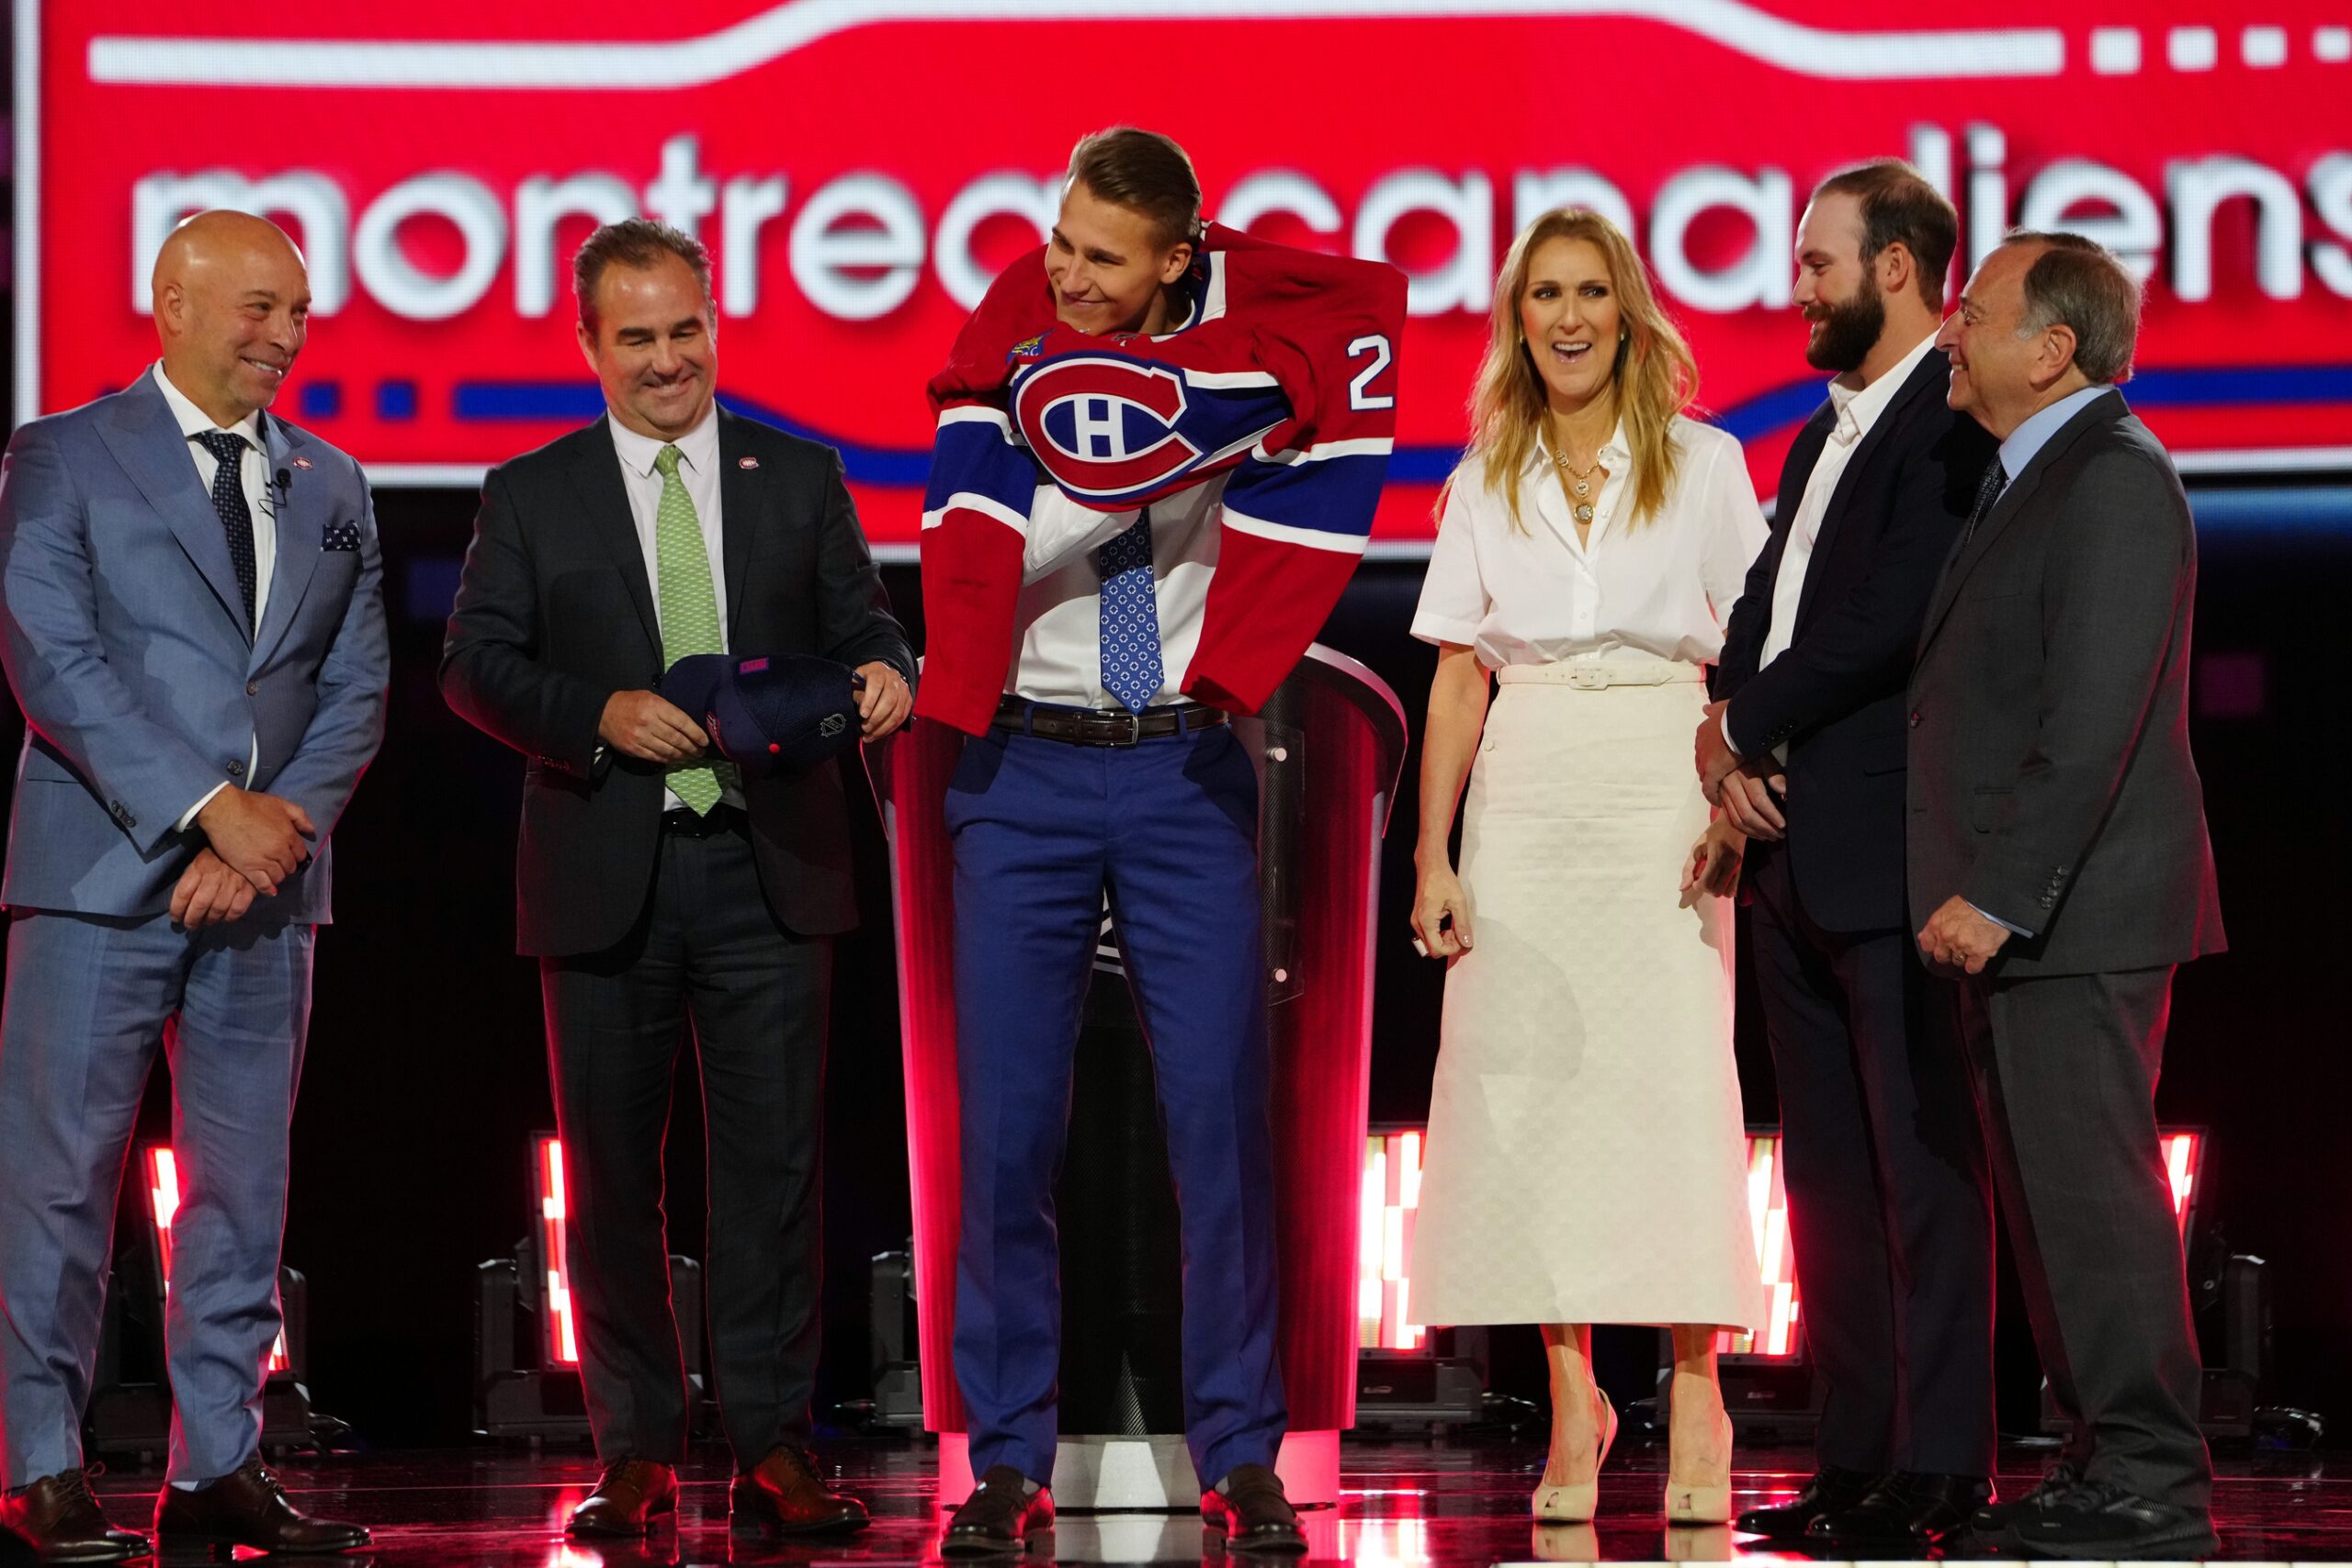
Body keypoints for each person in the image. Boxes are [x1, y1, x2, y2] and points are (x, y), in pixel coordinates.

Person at [915, 127, 1404, 1557]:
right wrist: (1128, 446)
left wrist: (1207, 418)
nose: (1063, 272)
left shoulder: (1258, 363)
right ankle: (1003, 1461)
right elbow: (991, 534)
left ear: (1177, 262)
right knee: (1006, 1136)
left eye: (1101, 256)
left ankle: (1242, 1454)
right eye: (1062, 239)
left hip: (1185, 769)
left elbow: (1333, 432)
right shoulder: (1010, 343)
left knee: (1219, 1128)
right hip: (1024, 772)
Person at [440, 219, 914, 1540]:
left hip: (774, 867)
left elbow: (862, 622)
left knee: (775, 1173)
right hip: (606, 868)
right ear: (589, 346)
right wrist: (599, 715)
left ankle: (773, 1445)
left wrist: (889, 670)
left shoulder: (800, 473)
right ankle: (637, 1448)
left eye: (686, 330)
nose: (668, 360)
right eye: (637, 336)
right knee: (610, 1177)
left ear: (717, 324)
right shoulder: (530, 491)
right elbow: (473, 663)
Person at [0, 211, 385, 1561]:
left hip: (269, 890)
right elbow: (53, 661)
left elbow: (355, 687)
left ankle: (217, 1463)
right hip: (102, 875)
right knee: (59, 1183)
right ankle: (42, 1466)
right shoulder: (61, 454)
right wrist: (208, 810)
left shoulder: (333, 482)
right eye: (258, 308)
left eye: (297, 312)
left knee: (243, 1190)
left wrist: (273, 833)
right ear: (171, 300)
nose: (283, 335)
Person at [1405, 208, 1769, 1526]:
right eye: (1545, 295)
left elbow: (1762, 655)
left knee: (1672, 1088)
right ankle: (1573, 1398)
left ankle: (1696, 1388)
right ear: (1518, 319)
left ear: (1628, 313)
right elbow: (1456, 670)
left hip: (1662, 774)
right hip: (1531, 782)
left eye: (1591, 293)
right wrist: (1433, 853)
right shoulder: (1483, 474)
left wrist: (1733, 795)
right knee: (1534, 1099)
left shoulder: (1710, 463)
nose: (1568, 318)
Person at [1698, 162, 2002, 1551]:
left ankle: (1943, 1463)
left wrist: (1749, 722)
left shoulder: (1945, 427)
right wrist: (1732, 745)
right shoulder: (1815, 438)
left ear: (1894, 269)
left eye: (1818, 261)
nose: (1798, 286)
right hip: (1788, 859)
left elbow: (1889, 618)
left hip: (1892, 851)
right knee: (1821, 1178)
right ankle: (1856, 1456)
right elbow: (1769, 607)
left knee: (1922, 1172)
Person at [1912, 229, 2225, 1560]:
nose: (1947, 333)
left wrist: (2002, 894)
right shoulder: (2029, 477)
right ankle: (2107, 1469)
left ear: (2050, 350)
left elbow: (2094, 719)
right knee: (2053, 1205)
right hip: (2039, 923)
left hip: (2073, 915)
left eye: (1969, 312)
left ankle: (2154, 1480)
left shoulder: (2111, 478)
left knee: (2095, 1197)